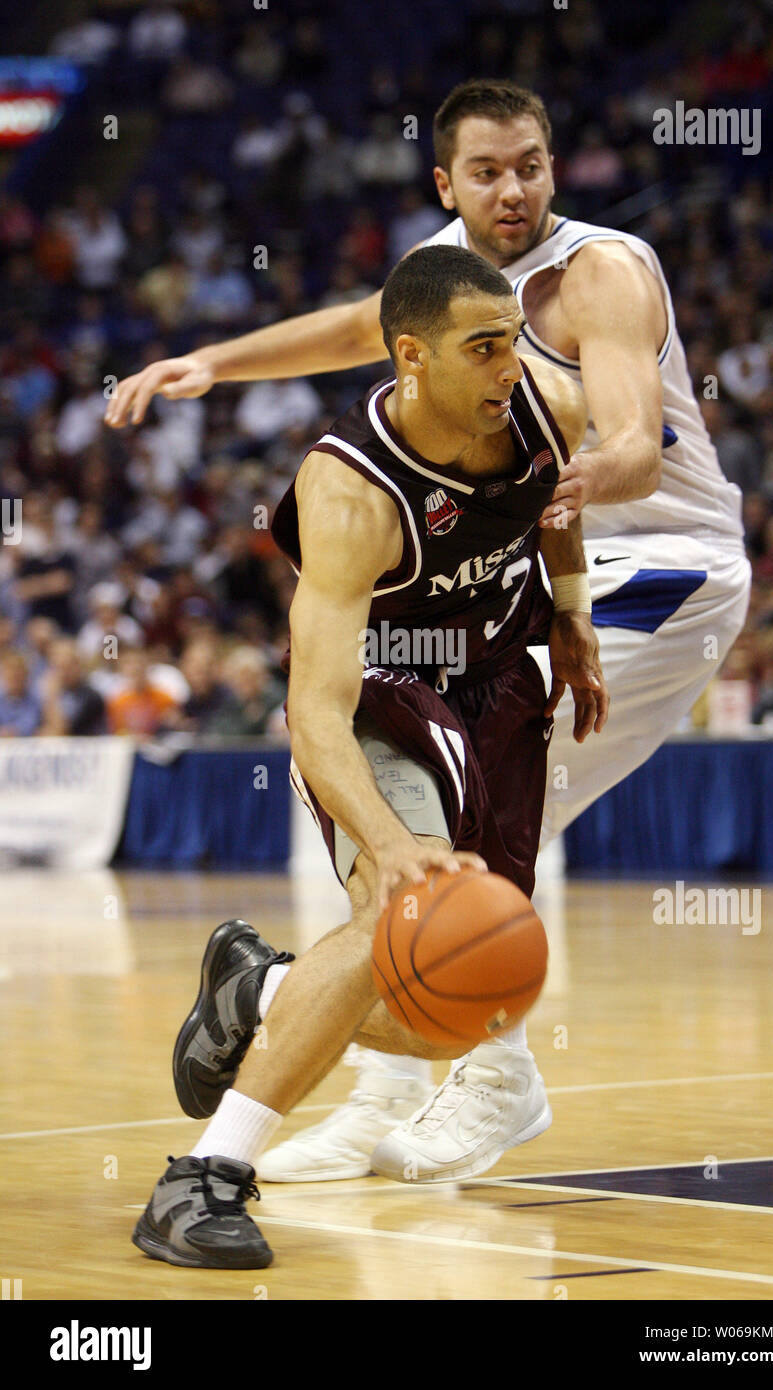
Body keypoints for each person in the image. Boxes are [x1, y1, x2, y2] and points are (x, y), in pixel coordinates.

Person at [107, 78, 751, 1185]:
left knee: (467, 818)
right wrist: (215, 364)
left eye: (532, 167)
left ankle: (484, 1075)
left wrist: (584, 467)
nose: (514, 191)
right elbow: (361, 326)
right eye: (489, 173)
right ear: (445, 182)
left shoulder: (596, 272)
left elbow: (636, 441)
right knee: (399, 819)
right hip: (524, 567)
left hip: (656, 565)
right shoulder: (446, 274)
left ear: (554, 167)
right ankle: (379, 1082)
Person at [132, 246, 606, 1268]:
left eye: (512, 343)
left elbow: (552, 506)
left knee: (451, 1011)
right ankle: (204, 1175)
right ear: (409, 357)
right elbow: (311, 712)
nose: (508, 368)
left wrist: (570, 613)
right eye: (481, 349)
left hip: (495, 684)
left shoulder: (548, 403)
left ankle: (255, 990)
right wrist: (388, 843)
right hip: (379, 699)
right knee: (402, 915)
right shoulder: (350, 489)